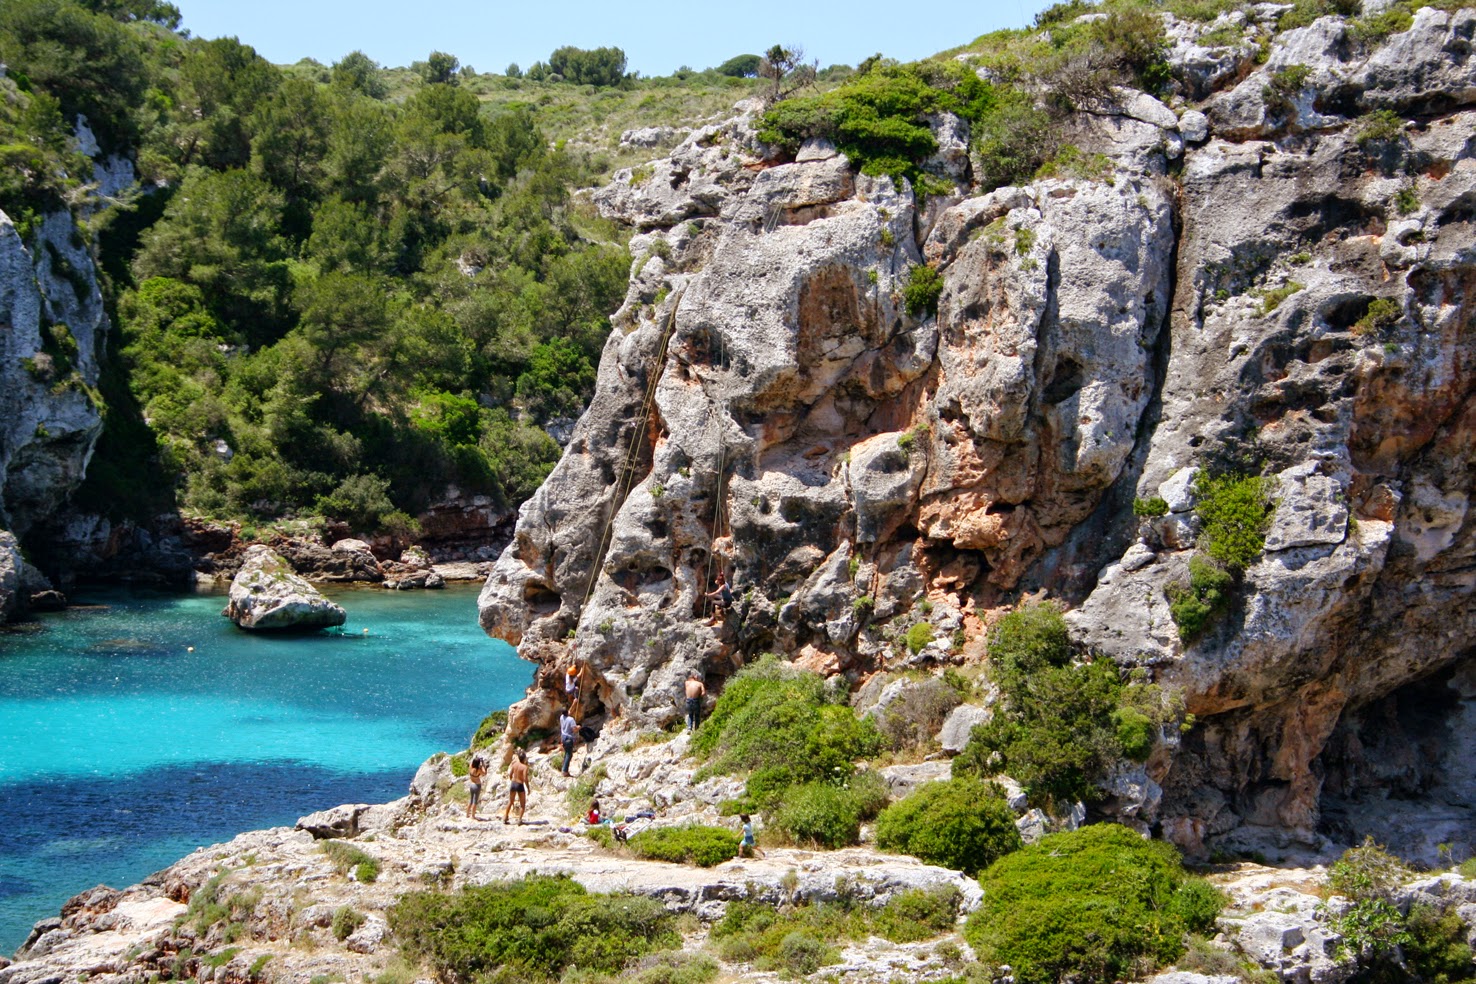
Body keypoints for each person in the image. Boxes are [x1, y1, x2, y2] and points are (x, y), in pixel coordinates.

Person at [503, 749, 529, 825]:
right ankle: (519, 820)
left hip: (513, 783)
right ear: (524, 758)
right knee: (522, 804)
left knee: (511, 802)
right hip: (520, 784)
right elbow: (525, 778)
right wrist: (528, 788)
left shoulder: (514, 764)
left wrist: (512, 780)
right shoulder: (524, 767)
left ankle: (505, 817)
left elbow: (510, 775)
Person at [466, 753, 487, 820]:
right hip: (477, 785)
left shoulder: (470, 767)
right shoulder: (478, 770)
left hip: (471, 784)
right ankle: (473, 815)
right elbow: (484, 773)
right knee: (475, 801)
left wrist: (476, 758)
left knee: (471, 800)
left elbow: (471, 763)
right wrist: (483, 764)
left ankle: (467, 814)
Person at [559, 708, 578, 776]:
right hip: (569, 739)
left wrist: (575, 703)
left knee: (566, 753)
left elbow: (569, 711)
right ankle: (564, 771)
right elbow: (574, 730)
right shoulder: (571, 719)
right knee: (569, 754)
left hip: (563, 738)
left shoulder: (561, 717)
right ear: (567, 712)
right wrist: (579, 727)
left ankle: (563, 768)